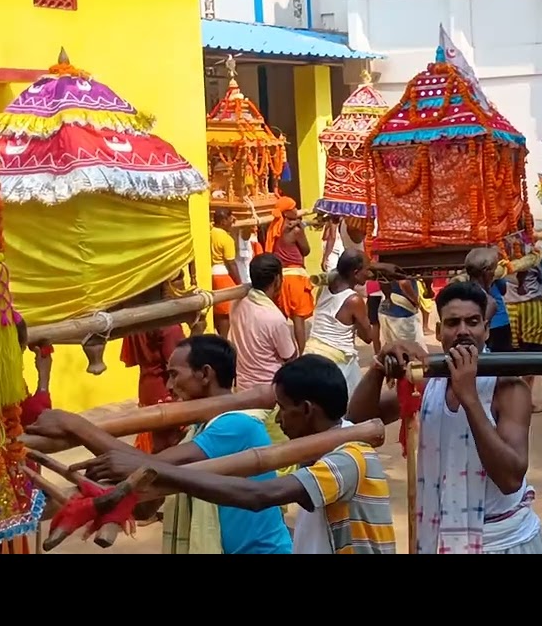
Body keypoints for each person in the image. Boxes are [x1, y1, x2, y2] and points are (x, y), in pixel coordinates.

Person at [75, 355, 397, 554]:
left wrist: (151, 469)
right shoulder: (317, 448)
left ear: (308, 410)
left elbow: (259, 495)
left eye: (283, 410)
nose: (279, 419)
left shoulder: (347, 457)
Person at [26, 335, 293, 554]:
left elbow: (152, 468)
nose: (169, 385)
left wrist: (76, 425)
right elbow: (147, 501)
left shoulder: (235, 425)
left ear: (205, 374)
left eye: (175, 375)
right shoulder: (202, 428)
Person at [348, 281, 542, 554]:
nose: (463, 331)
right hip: (442, 538)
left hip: (503, 542)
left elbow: (510, 478)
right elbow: (359, 418)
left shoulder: (509, 387)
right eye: (453, 323)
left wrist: (470, 398)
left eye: (473, 322)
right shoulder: (430, 380)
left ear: (486, 330)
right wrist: (380, 365)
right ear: (440, 332)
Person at [304, 249, 373, 396]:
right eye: (367, 270)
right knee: (349, 405)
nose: (369, 274)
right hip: (337, 360)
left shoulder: (325, 287)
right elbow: (368, 337)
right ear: (355, 273)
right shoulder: (354, 300)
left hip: (313, 351)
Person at [231, 254, 298, 392]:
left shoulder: (236, 303)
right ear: (278, 279)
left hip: (242, 387)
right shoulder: (274, 318)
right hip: (268, 392)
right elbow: (290, 356)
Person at [121, 323, 186, 454]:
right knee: (169, 446)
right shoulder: (169, 326)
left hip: (147, 389)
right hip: (166, 389)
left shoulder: (134, 323)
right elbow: (177, 363)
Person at [266, 196, 312, 354]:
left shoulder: (274, 227)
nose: (296, 210)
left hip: (280, 278)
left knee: (282, 318)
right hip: (296, 277)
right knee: (298, 318)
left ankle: (285, 352)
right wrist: (301, 228)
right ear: (287, 212)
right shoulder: (296, 230)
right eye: (293, 208)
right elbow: (306, 250)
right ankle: (301, 352)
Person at [503, 268, 542, 411]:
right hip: (531, 306)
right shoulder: (535, 255)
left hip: (510, 307)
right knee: (531, 356)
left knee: (513, 356)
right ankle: (524, 400)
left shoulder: (501, 253)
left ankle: (513, 399)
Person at [466, 247, 511, 352]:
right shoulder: (489, 302)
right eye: (494, 269)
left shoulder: (466, 290)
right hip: (500, 325)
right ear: (487, 272)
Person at [210, 209, 242, 338]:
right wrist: (239, 283)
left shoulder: (210, 232)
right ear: (223, 221)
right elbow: (231, 263)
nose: (231, 222)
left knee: (218, 311)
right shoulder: (226, 238)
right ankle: (223, 341)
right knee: (225, 312)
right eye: (230, 219)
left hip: (211, 274)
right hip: (222, 275)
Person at [378, 277, 425, 347]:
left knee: (393, 347)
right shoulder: (402, 268)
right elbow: (404, 282)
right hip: (402, 313)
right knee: (411, 348)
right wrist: (415, 301)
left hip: (387, 310)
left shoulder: (385, 268)